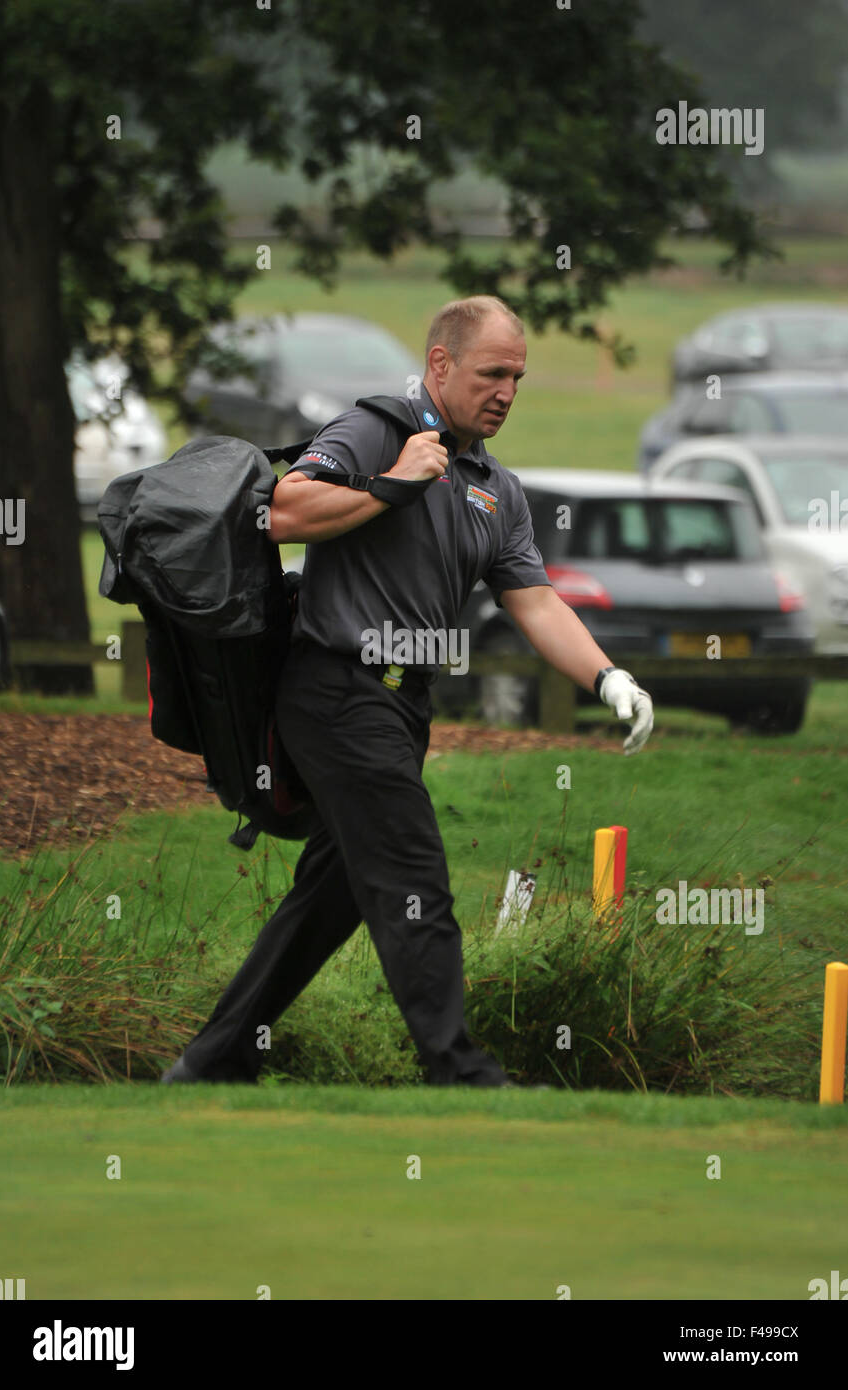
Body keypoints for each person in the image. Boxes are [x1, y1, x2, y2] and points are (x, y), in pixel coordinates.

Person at [162, 295, 653, 1088]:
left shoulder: (497, 486)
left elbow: (533, 600)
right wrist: (394, 481)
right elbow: (282, 513)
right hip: (335, 691)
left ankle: (213, 1060)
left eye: (518, 378)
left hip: (401, 707)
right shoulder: (376, 431)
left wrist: (607, 675)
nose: (506, 391)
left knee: (334, 894)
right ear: (440, 365)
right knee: (412, 873)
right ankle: (457, 1069)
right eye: (492, 373)